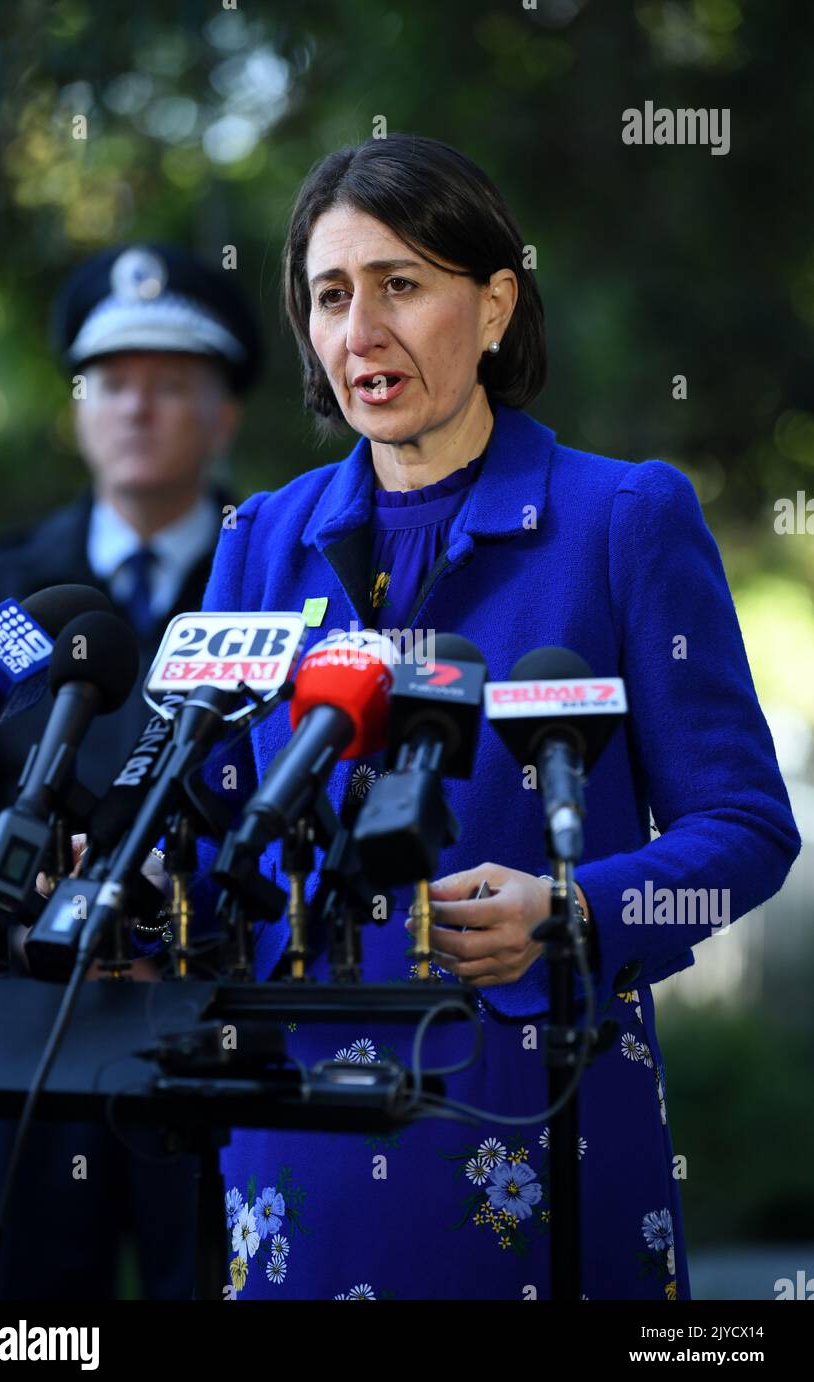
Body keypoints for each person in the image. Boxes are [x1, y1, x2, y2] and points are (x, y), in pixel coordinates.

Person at [189, 133, 801, 1301]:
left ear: (494, 304)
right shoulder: (259, 535)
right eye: (329, 296)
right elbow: (220, 807)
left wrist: (573, 912)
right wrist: (131, 882)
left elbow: (744, 827)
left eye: (399, 285)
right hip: (297, 1130)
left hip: (529, 1113)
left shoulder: (622, 519)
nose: (359, 329)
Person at [0, 242, 262, 1298]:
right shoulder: (6, 586)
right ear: (79, 412)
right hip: (25, 1030)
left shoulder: (267, 578)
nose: (135, 409)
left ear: (223, 416)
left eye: (171, 386)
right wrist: (4, 893)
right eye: (110, 385)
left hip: (205, 1025)